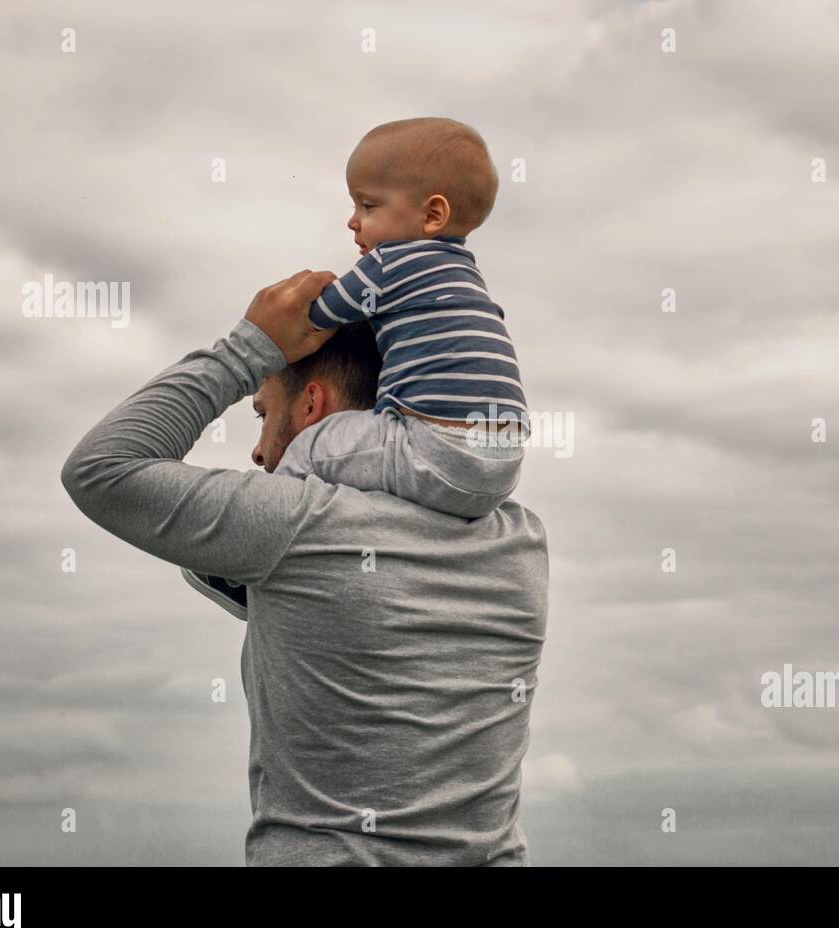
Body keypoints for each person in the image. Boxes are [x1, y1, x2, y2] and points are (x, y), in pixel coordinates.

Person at [61, 270, 549, 865]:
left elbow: (100, 468)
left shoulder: (297, 525)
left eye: (262, 414)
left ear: (313, 405)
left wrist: (249, 347)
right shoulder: (521, 541)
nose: (260, 450)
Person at [279, 117, 528, 519]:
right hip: (502, 467)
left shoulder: (391, 263)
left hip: (435, 446)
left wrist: (294, 304)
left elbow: (317, 315)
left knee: (313, 445)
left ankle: (269, 536)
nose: (353, 220)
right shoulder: (468, 279)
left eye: (368, 205)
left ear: (432, 215)